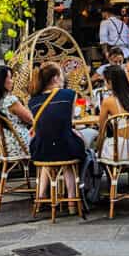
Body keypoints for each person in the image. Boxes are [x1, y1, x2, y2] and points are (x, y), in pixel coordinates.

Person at [28, 62, 86, 206]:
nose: (63, 78)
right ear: (55, 78)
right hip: (66, 148)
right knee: (72, 151)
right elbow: (70, 120)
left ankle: (41, 196)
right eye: (61, 75)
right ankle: (72, 201)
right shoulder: (69, 95)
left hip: (41, 150)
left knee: (49, 152)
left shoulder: (32, 101)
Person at [0, 66, 32, 159]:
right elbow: (31, 120)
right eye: (10, 78)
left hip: (0, 146)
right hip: (19, 146)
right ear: (1, 82)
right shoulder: (10, 101)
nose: (12, 81)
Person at [93, 64, 129, 160]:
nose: (104, 83)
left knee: (95, 153)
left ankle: (110, 174)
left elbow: (101, 130)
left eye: (105, 80)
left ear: (110, 81)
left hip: (120, 151)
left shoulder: (108, 101)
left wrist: (97, 150)